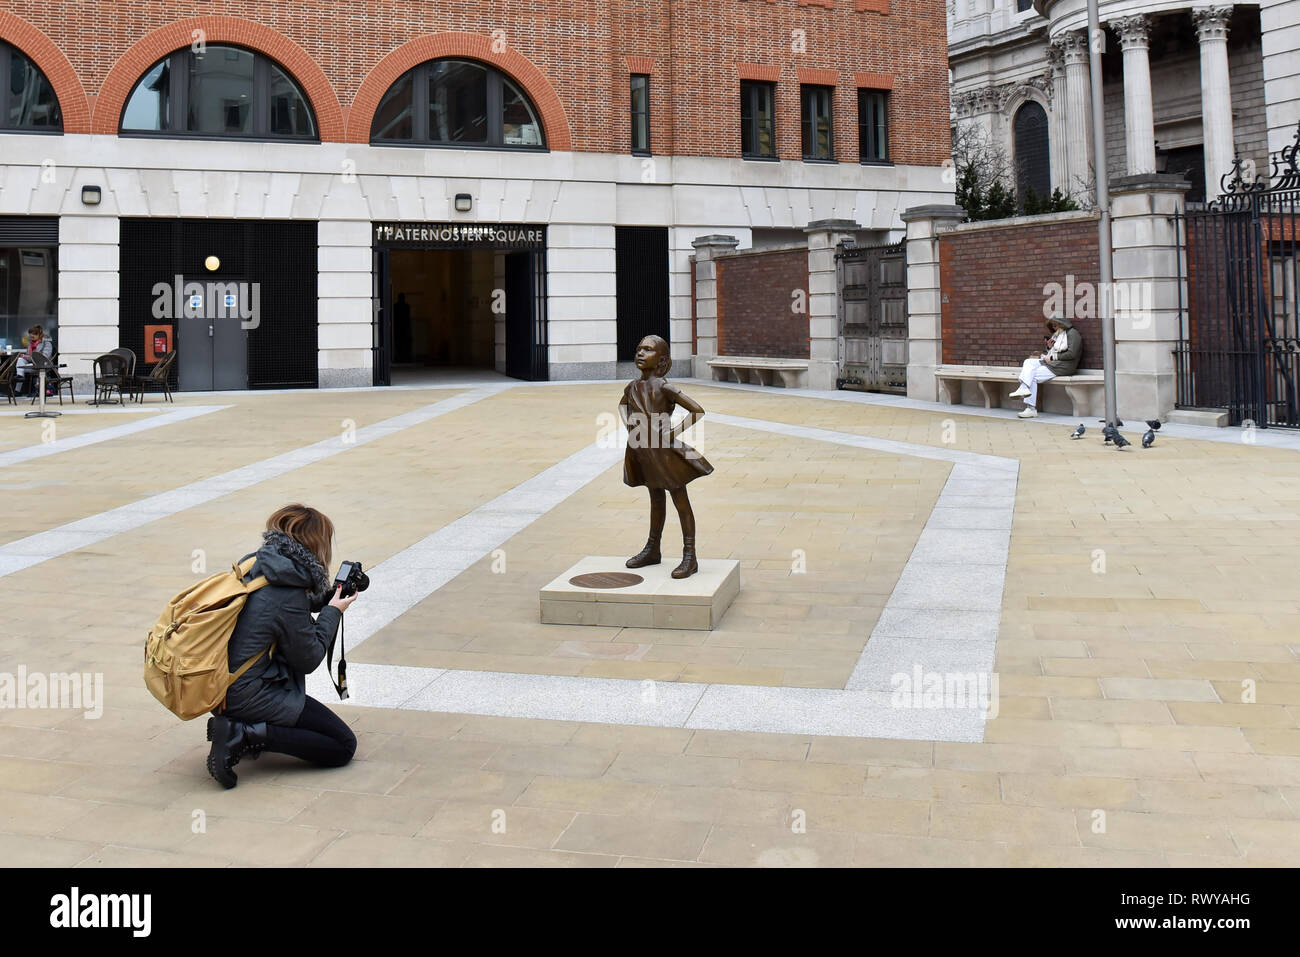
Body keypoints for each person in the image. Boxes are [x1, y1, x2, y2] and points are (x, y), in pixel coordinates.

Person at [206, 504, 359, 789]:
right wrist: (333, 612)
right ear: (315, 544)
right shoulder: (287, 593)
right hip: (247, 694)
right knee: (342, 745)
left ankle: (238, 726)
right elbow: (310, 658)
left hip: (221, 687)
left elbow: (278, 607)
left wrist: (326, 598)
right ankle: (244, 734)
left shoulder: (258, 563)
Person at [621, 335, 713, 578]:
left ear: (661, 361)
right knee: (655, 496)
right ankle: (653, 549)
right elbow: (622, 405)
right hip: (641, 447)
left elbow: (697, 410)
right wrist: (629, 424)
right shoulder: (632, 386)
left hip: (664, 452)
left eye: (648, 350)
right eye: (639, 348)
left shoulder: (664, 387)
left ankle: (690, 556)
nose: (640, 353)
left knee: (679, 497)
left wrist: (673, 432)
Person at [1009, 315, 1082, 418]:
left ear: (1062, 323)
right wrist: (1049, 347)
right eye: (1053, 326)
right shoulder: (1058, 335)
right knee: (1028, 362)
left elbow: (1072, 354)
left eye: (1055, 325)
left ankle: (1031, 408)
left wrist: (1052, 358)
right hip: (1052, 363)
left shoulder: (1073, 334)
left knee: (1033, 376)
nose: (1054, 328)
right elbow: (1054, 352)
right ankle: (1024, 388)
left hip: (1063, 366)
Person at [14, 325, 53, 397]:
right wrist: (25, 357)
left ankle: (17, 390)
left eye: (33, 336)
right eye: (30, 336)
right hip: (32, 364)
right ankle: (20, 377)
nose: (31, 338)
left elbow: (44, 357)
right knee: (20, 360)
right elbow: (29, 357)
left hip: (42, 365)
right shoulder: (31, 344)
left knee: (22, 368)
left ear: (38, 335)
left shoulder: (46, 343)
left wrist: (28, 357)